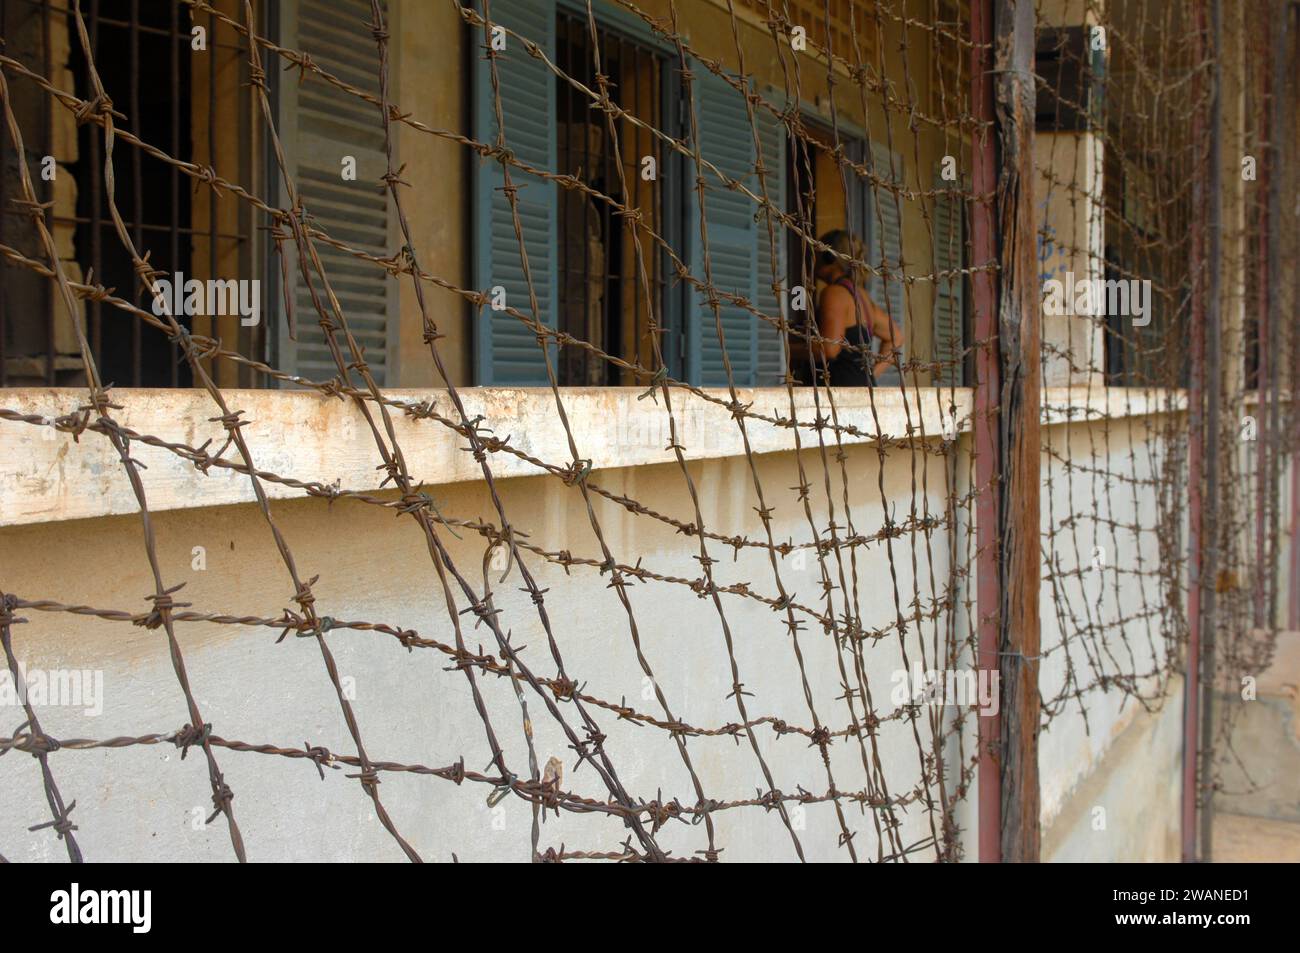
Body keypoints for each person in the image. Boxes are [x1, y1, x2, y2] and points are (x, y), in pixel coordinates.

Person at [789, 230, 903, 386]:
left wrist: (788, 349)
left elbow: (830, 348)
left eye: (815, 255)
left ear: (829, 257)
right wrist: (869, 376)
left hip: (838, 394)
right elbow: (895, 337)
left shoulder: (834, 294)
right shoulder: (860, 295)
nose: (811, 262)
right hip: (861, 392)